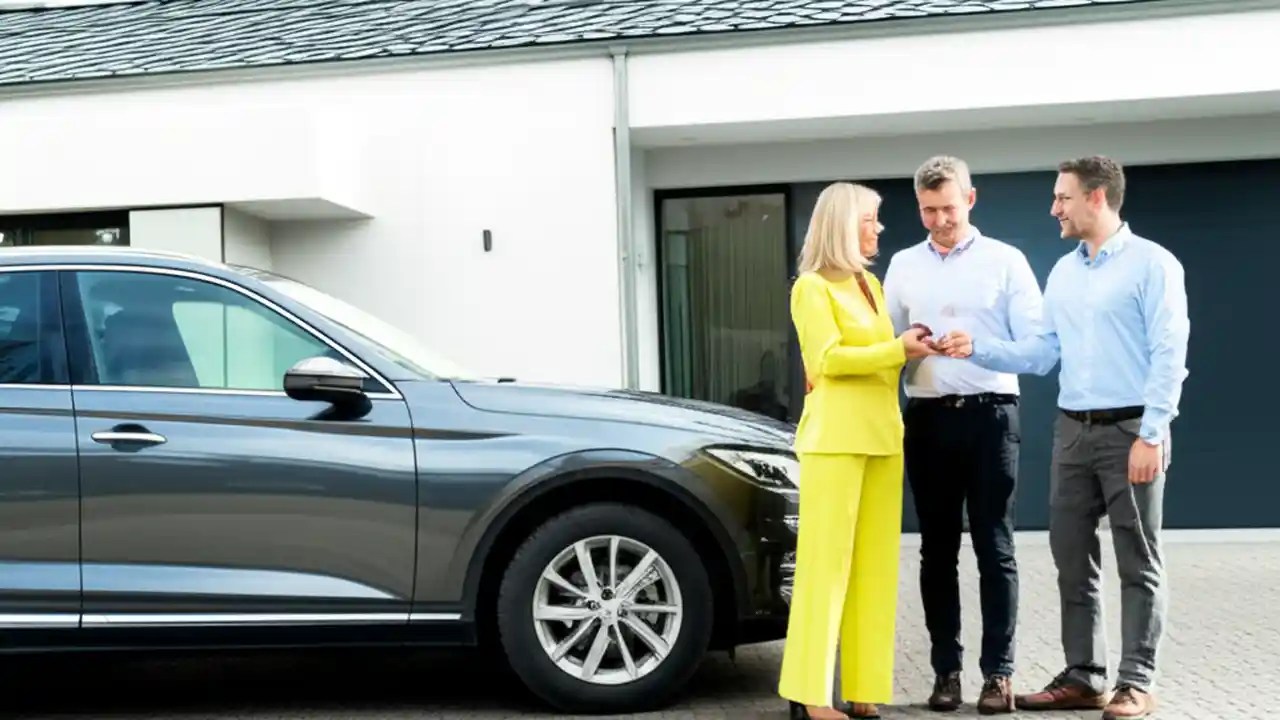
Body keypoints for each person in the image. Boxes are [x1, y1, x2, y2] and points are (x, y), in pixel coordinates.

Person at [937, 156, 1189, 720]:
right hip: (1073, 431)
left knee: (1138, 560)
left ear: (1097, 198)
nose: (1054, 208)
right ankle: (1084, 675)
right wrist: (976, 347)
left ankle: (1136, 682)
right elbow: (1043, 352)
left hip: (1131, 431)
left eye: (1063, 198)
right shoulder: (1065, 271)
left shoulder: (1154, 265)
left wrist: (1153, 433)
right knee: (1072, 561)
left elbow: (1171, 356)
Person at [882, 155, 1043, 714]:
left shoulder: (1007, 261)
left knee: (994, 548)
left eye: (948, 208)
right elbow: (886, 346)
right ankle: (945, 673)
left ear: (970, 200)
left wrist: (979, 346)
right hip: (927, 418)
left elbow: (1039, 348)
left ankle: (998, 675)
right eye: (928, 211)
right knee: (936, 552)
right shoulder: (902, 265)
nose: (939, 220)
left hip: (992, 415)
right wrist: (908, 346)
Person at [778, 181, 936, 720]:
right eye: (871, 218)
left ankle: (865, 688)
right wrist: (896, 348)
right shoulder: (811, 288)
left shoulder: (870, 284)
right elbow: (826, 361)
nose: (879, 228)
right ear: (844, 224)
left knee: (874, 569)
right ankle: (810, 694)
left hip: (882, 439)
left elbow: (879, 356)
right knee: (825, 570)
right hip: (834, 444)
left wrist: (918, 345)